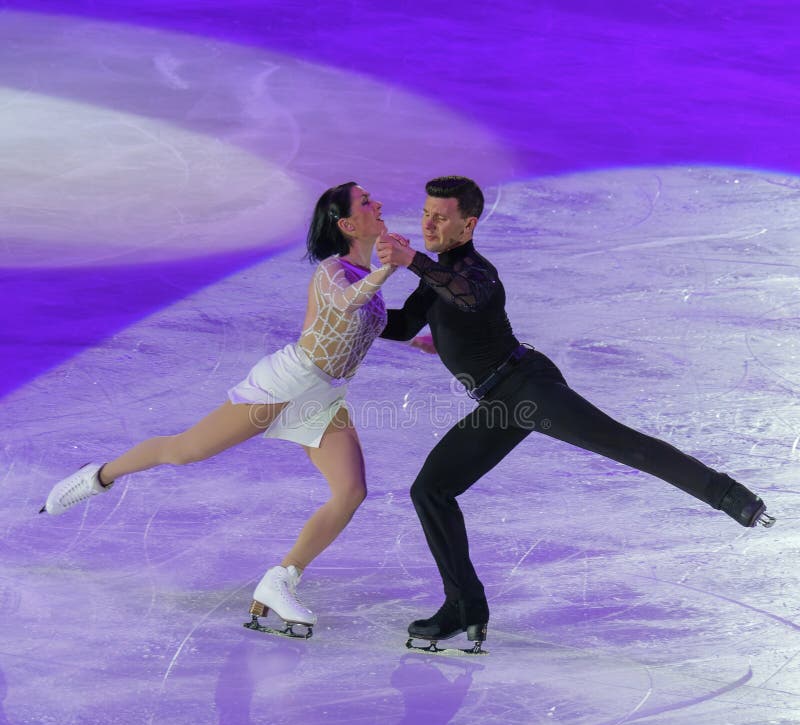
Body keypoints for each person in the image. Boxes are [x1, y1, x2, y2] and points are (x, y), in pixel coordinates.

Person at [376, 175, 775, 650]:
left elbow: (469, 296)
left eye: (441, 216)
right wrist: (349, 303)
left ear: (468, 224)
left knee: (623, 445)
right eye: (425, 213)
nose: (428, 223)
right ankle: (466, 606)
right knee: (431, 489)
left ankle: (731, 496)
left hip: (528, 386)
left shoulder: (476, 270)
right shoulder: (436, 273)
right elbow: (399, 325)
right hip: (498, 403)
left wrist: (412, 261)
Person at [41, 182, 400, 634]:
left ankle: (281, 579)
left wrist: (424, 336)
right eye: (367, 202)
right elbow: (349, 303)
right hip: (286, 384)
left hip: (326, 394)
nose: (378, 204)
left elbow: (364, 323)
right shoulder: (332, 271)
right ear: (347, 224)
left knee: (350, 492)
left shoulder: (366, 270)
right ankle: (99, 475)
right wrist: (386, 270)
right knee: (186, 450)